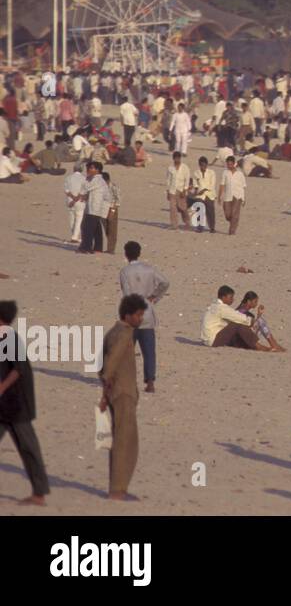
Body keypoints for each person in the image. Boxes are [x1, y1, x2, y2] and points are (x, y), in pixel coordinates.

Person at [0, 300, 50, 505]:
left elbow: (19, 368)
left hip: (16, 405)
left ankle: (39, 493)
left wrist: (2, 388)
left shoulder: (11, 339)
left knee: (28, 448)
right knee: (29, 448)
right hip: (3, 406)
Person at [100, 294, 148, 500]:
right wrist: (107, 390)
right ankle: (118, 490)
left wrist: (105, 393)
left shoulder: (113, 331)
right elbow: (109, 366)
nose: (141, 319)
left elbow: (102, 363)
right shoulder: (125, 334)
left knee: (120, 439)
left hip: (115, 393)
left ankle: (118, 488)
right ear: (128, 315)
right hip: (124, 393)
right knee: (125, 441)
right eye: (138, 315)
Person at [118, 241, 168, 393]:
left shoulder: (125, 272)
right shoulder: (149, 269)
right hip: (147, 313)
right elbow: (165, 282)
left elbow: (127, 294)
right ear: (139, 253)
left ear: (126, 254)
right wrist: (154, 297)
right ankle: (150, 381)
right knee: (149, 351)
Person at [201, 285, 269, 350]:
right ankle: (258, 346)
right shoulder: (221, 308)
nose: (232, 300)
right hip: (212, 340)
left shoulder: (214, 306)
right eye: (230, 297)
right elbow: (238, 317)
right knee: (237, 324)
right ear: (223, 297)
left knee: (236, 326)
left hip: (208, 339)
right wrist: (253, 320)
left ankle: (253, 345)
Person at [76, 161, 110, 253]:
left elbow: (86, 188)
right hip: (95, 208)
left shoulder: (96, 179)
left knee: (87, 228)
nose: (89, 170)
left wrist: (86, 179)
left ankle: (86, 248)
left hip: (94, 208)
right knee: (96, 229)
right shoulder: (100, 180)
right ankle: (98, 248)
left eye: (91, 168)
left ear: (97, 170)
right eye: (89, 168)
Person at [217, 155, 246, 236]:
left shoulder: (240, 174)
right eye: (228, 164)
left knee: (234, 214)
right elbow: (222, 185)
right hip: (227, 196)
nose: (229, 166)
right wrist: (219, 196)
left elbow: (243, 186)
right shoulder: (225, 172)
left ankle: (232, 231)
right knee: (228, 215)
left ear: (234, 164)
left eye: (230, 164)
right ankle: (234, 221)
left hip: (238, 196)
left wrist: (243, 198)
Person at [188, 156, 217, 232]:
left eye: (204, 165)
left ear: (207, 165)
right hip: (200, 194)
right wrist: (197, 190)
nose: (203, 167)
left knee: (210, 211)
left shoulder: (211, 173)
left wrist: (204, 190)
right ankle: (200, 227)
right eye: (201, 165)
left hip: (209, 194)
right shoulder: (196, 173)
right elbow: (195, 184)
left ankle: (212, 227)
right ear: (199, 165)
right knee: (199, 208)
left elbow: (212, 184)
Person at [166, 151, 191, 230]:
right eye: (175, 158)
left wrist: (184, 190)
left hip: (181, 190)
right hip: (172, 190)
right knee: (172, 208)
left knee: (183, 208)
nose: (177, 159)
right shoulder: (170, 168)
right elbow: (168, 180)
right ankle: (174, 225)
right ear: (173, 159)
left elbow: (187, 180)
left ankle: (187, 222)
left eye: (178, 158)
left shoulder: (185, 168)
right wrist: (168, 191)